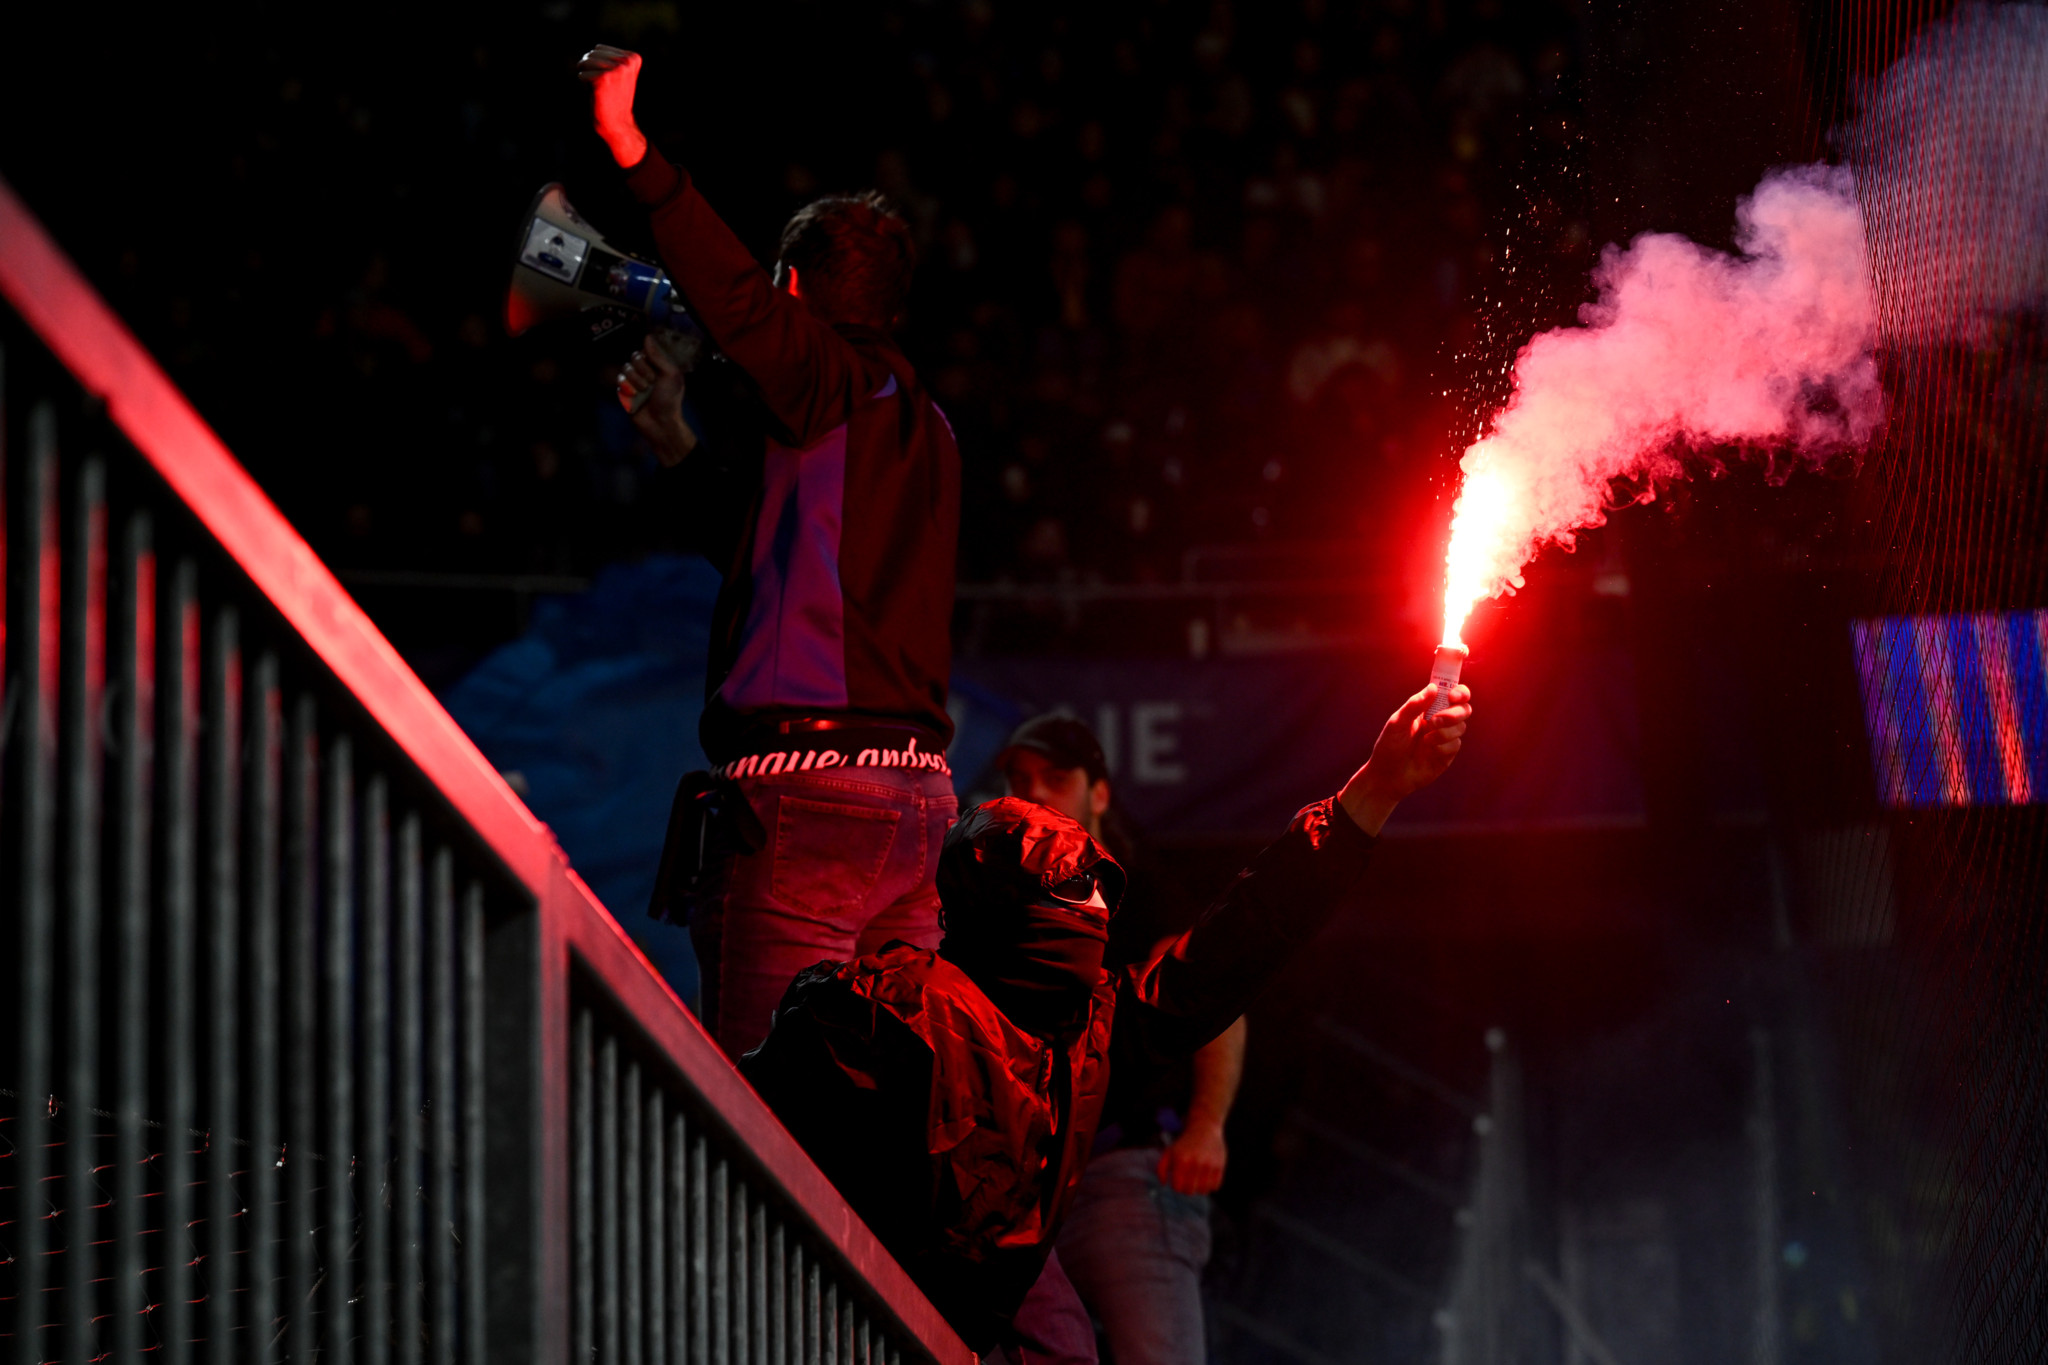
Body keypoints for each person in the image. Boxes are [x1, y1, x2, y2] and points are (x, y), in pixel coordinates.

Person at [741, 681, 1474, 1357]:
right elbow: (748, 1162)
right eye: (1070, 886)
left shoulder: (1090, 1036)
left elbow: (1239, 942)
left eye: (1097, 888)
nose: (1096, 907)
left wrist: (1374, 790)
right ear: (1005, 907)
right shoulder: (883, 1009)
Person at [578, 46, 963, 1058]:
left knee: (771, 1130)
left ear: (795, 287)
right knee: (883, 1115)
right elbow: (768, 564)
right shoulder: (924, 428)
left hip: (811, 807)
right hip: (916, 807)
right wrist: (674, 436)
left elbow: (738, 302)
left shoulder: (825, 384)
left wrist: (632, 149)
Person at [998, 715, 1241, 1365]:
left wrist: (1206, 1125)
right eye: (1022, 781)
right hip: (1025, 1198)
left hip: (1125, 1173)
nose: (1037, 793)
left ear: (1099, 794)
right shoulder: (996, 908)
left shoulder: (1143, 892)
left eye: (1056, 778)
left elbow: (1217, 999)